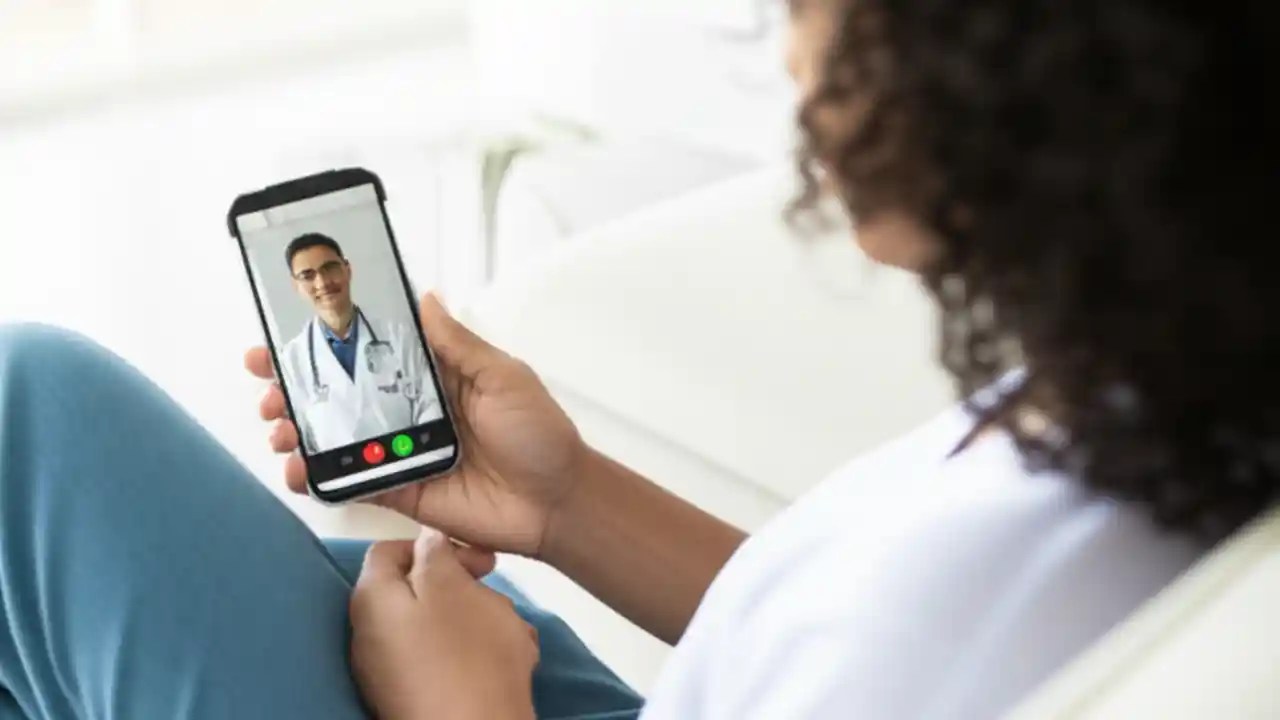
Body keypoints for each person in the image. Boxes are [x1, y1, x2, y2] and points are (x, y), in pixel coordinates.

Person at [0, 0, 1272, 718]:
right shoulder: (1159, 390)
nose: (785, 35)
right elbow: (844, 645)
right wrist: (566, 505)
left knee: (25, 423)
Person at [276, 232, 442, 454]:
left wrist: (424, 459)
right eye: (308, 276)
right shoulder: (290, 360)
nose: (322, 282)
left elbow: (430, 401)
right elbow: (303, 441)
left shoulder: (398, 335)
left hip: (414, 462)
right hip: (344, 481)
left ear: (347, 270)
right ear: (296, 285)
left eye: (330, 268)